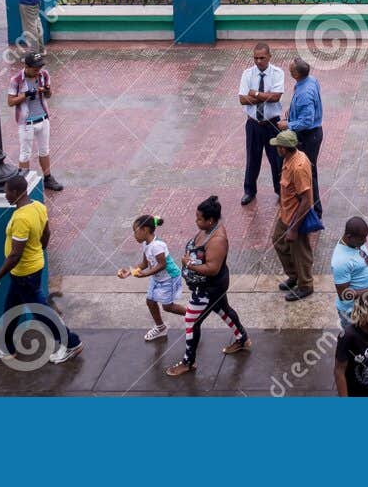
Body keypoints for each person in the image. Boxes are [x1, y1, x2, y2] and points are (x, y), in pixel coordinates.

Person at [0, 175, 81, 364]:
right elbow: (47, 233)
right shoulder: (39, 207)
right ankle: (5, 346)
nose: (5, 196)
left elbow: (15, 255)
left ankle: (71, 343)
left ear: (17, 192)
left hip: (24, 274)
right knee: (11, 308)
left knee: (41, 312)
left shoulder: (21, 218)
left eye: (7, 192)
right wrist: (38, 249)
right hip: (30, 269)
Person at [166, 195, 248, 376]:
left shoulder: (217, 240)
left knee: (191, 320)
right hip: (210, 286)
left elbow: (212, 268)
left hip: (209, 289)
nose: (196, 221)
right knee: (223, 310)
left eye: (199, 219)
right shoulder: (208, 229)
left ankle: (188, 362)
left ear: (210, 220)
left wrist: (189, 264)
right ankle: (242, 339)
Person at [118, 214, 186, 341]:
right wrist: (129, 272)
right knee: (150, 301)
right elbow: (144, 263)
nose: (134, 235)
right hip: (157, 277)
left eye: (135, 232)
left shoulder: (157, 245)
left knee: (168, 306)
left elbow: (162, 264)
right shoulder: (146, 244)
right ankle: (160, 328)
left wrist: (146, 274)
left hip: (169, 278)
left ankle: (193, 317)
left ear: (145, 230)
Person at [271, 129, 318, 301]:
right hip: (286, 213)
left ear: (284, 149)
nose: (276, 149)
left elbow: (306, 199)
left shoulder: (298, 167)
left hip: (295, 216)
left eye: (278, 146)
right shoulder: (289, 159)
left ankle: (305, 285)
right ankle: (294, 275)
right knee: (278, 241)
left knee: (300, 252)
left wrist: (294, 228)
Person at [6, 52, 63, 191]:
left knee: (44, 150)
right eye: (35, 68)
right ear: (26, 66)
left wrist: (46, 91)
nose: (38, 71)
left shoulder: (44, 75)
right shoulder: (16, 80)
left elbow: (49, 95)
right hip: (26, 123)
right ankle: (24, 184)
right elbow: (10, 101)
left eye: (40, 67)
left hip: (43, 118)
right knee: (25, 153)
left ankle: (48, 178)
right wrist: (25, 95)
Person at [238, 42, 285, 206]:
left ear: (269, 57)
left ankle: (280, 190)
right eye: (255, 58)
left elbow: (276, 98)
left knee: (277, 159)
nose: (258, 61)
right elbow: (242, 99)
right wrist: (265, 96)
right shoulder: (247, 74)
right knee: (252, 158)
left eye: (262, 58)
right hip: (253, 124)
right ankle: (249, 191)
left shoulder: (278, 73)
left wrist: (255, 93)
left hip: (272, 124)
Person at [281, 57, 324, 215]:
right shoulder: (311, 80)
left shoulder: (304, 94)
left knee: (308, 172)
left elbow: (307, 120)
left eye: (291, 68)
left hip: (308, 136)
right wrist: (292, 113)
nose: (289, 69)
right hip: (311, 133)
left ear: (296, 74)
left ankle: (314, 210)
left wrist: (289, 124)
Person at [331, 216, 368, 328]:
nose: (365, 241)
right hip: (352, 312)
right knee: (355, 342)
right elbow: (344, 295)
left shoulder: (357, 243)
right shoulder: (340, 261)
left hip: (367, 304)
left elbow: (365, 260)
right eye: (362, 238)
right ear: (349, 237)